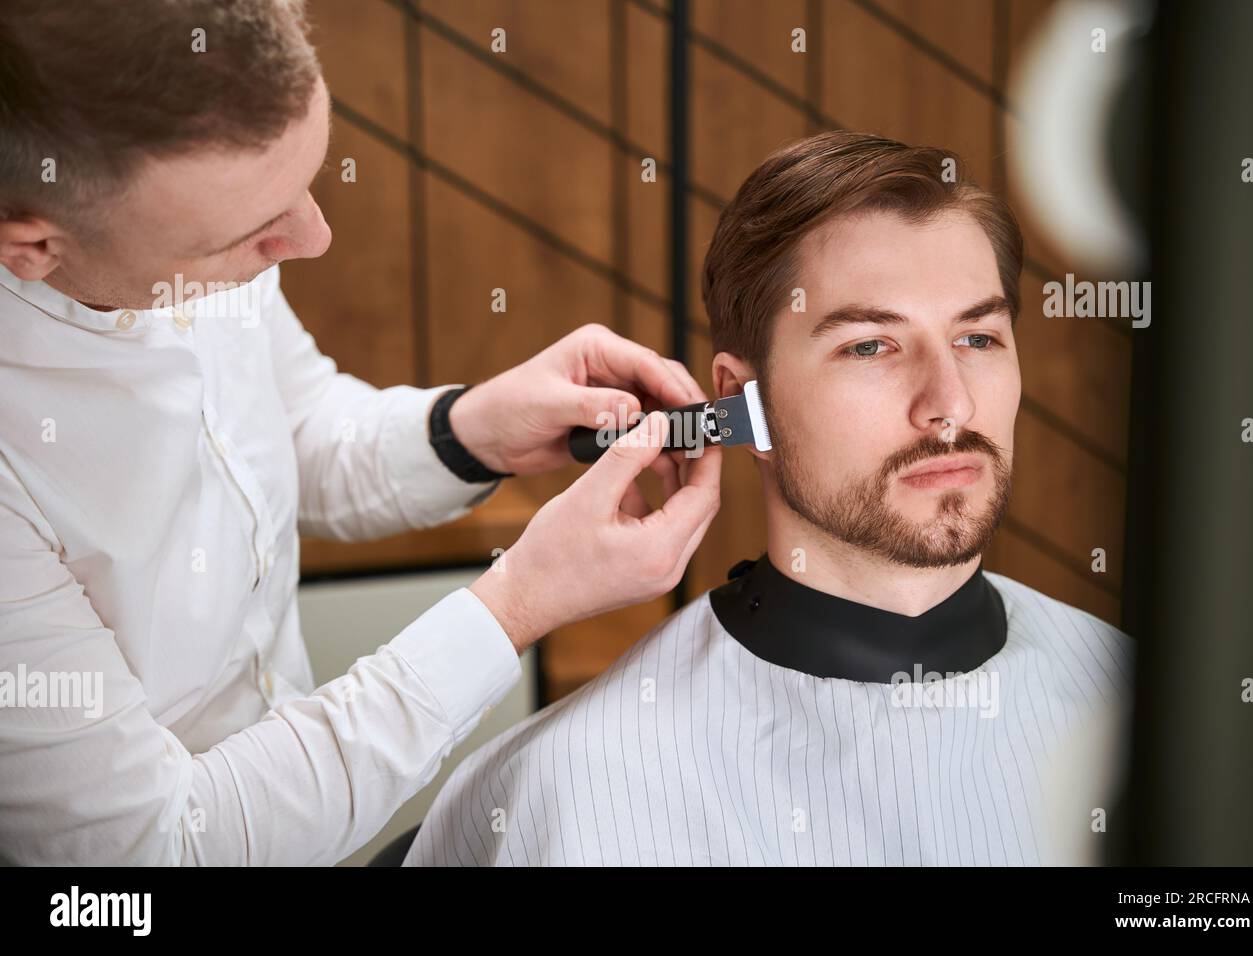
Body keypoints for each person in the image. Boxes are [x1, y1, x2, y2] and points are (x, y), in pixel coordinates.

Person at [0, 0, 720, 865]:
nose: (314, 235)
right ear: (32, 247)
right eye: (254, 233)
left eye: (305, 179)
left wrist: (468, 431)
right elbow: (158, 849)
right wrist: (516, 604)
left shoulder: (189, 224)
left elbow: (287, 427)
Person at [405, 131, 1135, 867]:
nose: (949, 406)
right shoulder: (569, 786)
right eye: (869, 347)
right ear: (739, 401)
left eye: (977, 338)